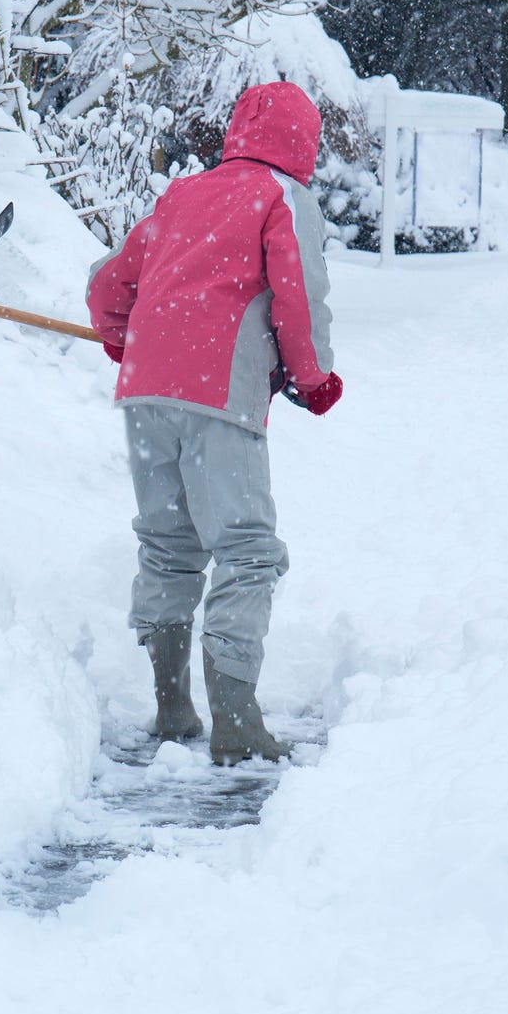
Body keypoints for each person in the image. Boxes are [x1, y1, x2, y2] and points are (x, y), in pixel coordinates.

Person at [85, 81, 342, 765]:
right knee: (247, 549)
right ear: (304, 143)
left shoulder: (184, 193)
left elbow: (109, 283)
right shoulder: (284, 197)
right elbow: (299, 299)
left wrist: (124, 338)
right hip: (217, 391)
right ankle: (234, 717)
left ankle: (172, 704)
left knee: (168, 543)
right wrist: (312, 379)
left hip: (145, 390)